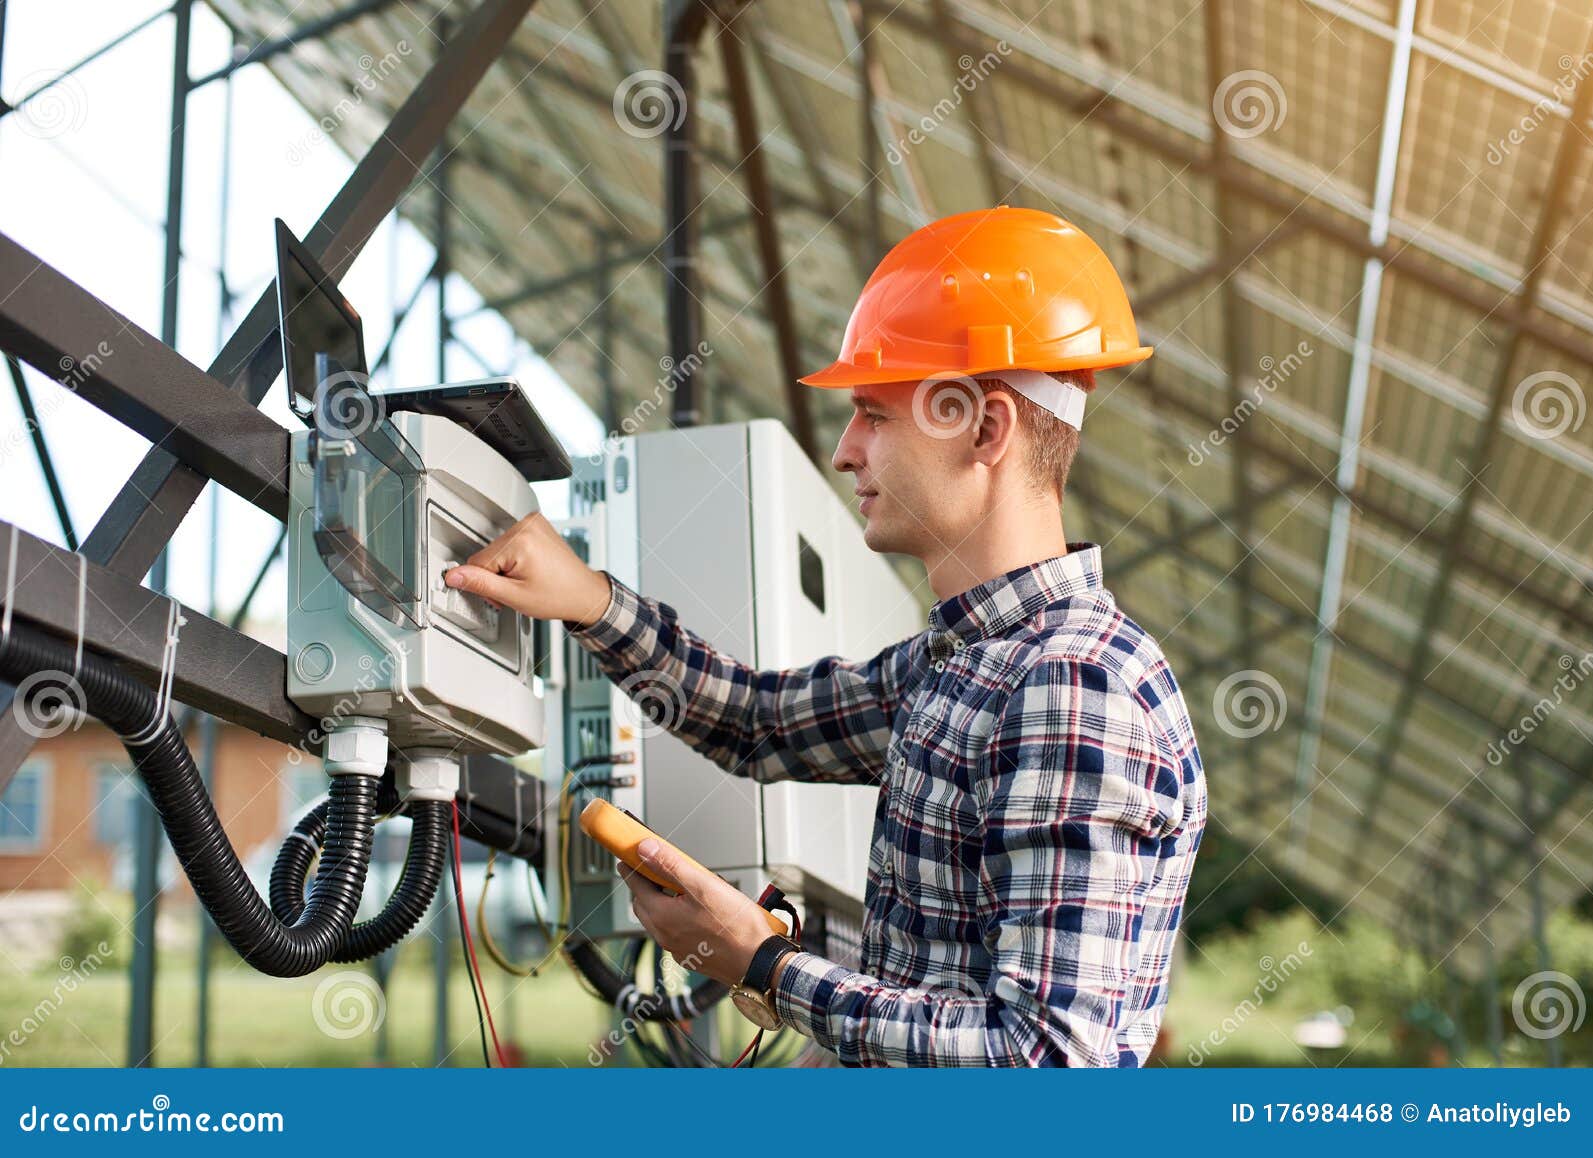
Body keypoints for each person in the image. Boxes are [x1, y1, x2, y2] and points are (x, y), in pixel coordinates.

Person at [445, 206, 1207, 1067]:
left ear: (987, 428)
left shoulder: (1070, 685)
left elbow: (1046, 1064)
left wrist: (765, 964)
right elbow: (757, 722)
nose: (846, 452)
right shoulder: (962, 666)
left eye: (875, 415)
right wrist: (588, 599)